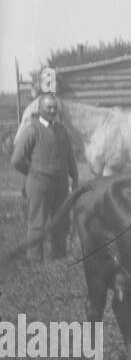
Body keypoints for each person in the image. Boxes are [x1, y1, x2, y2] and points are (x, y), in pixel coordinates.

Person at [11, 94, 79, 263]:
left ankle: (59, 256)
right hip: (39, 183)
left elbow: (70, 157)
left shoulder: (61, 130)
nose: (52, 110)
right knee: (37, 223)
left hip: (61, 184)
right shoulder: (32, 130)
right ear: (39, 109)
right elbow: (17, 159)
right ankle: (35, 260)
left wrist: (74, 177)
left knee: (61, 221)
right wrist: (32, 172)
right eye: (49, 107)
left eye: (55, 107)